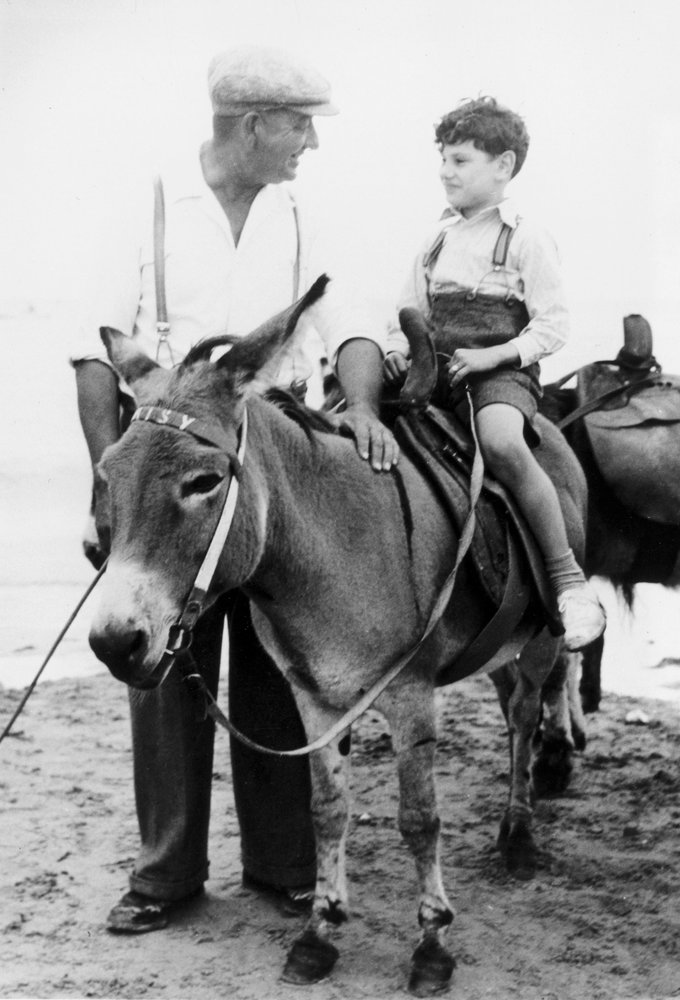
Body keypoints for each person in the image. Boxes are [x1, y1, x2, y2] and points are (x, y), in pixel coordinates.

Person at [71, 43, 398, 933]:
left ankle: (283, 863)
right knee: (158, 666)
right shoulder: (144, 209)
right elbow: (95, 358)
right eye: (300, 126)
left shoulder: (301, 215)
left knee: (275, 659)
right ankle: (166, 873)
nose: (309, 145)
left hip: (271, 481)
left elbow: (356, 323)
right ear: (253, 125)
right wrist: (111, 491)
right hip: (168, 477)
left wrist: (362, 406)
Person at [385, 96, 605, 651]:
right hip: (432, 368)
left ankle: (567, 581)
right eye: (443, 159)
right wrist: (395, 349)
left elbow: (553, 327)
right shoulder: (435, 238)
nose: (445, 171)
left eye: (460, 160)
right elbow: (407, 308)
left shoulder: (525, 237)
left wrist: (495, 356)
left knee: (502, 442)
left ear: (503, 166)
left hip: (497, 374)